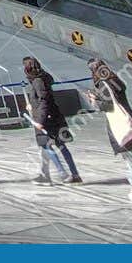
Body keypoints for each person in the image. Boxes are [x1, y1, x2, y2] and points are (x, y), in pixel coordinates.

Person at [85, 59, 132, 202]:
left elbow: (109, 105)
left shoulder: (103, 84)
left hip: (118, 124)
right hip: (128, 119)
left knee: (130, 157)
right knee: (129, 156)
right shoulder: (115, 80)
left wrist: (95, 100)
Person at [23, 55, 81, 185]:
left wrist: (40, 121)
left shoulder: (38, 81)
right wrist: (32, 105)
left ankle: (63, 174)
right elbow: (42, 99)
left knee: (47, 145)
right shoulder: (43, 78)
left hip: (47, 119)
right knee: (61, 145)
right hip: (54, 116)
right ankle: (74, 174)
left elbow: (44, 101)